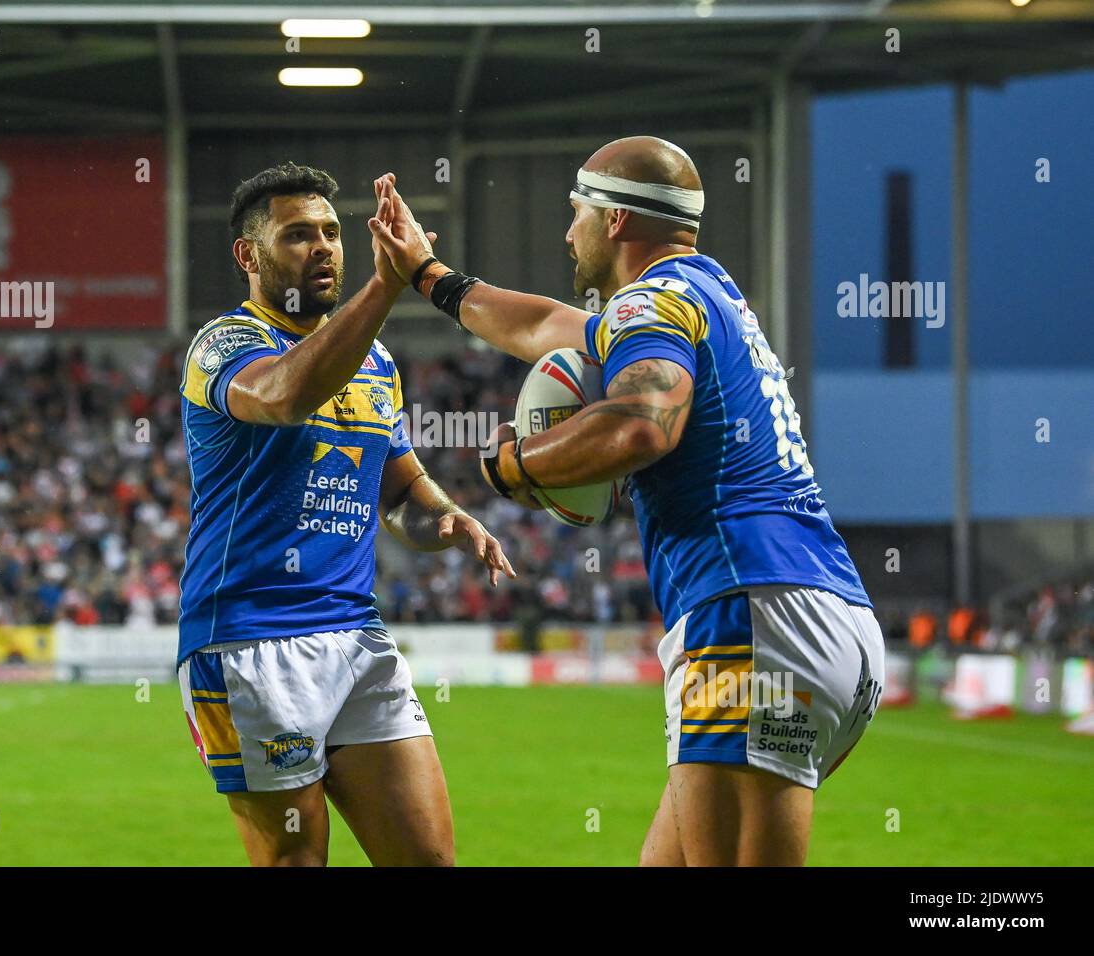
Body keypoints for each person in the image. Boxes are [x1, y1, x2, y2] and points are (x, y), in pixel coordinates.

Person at [368, 137, 884, 866]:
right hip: (817, 616)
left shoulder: (650, 301)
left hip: (749, 615)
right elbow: (544, 326)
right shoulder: (704, 293)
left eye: (577, 210)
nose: (567, 230)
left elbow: (645, 421)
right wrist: (429, 275)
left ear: (613, 220)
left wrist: (516, 467)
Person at [177, 163, 515, 866]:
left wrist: (448, 519)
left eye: (332, 231)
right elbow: (283, 398)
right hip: (248, 642)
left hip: (355, 634)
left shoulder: (375, 362)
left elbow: (400, 495)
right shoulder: (224, 346)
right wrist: (388, 285)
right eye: (298, 235)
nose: (324, 247)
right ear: (249, 255)